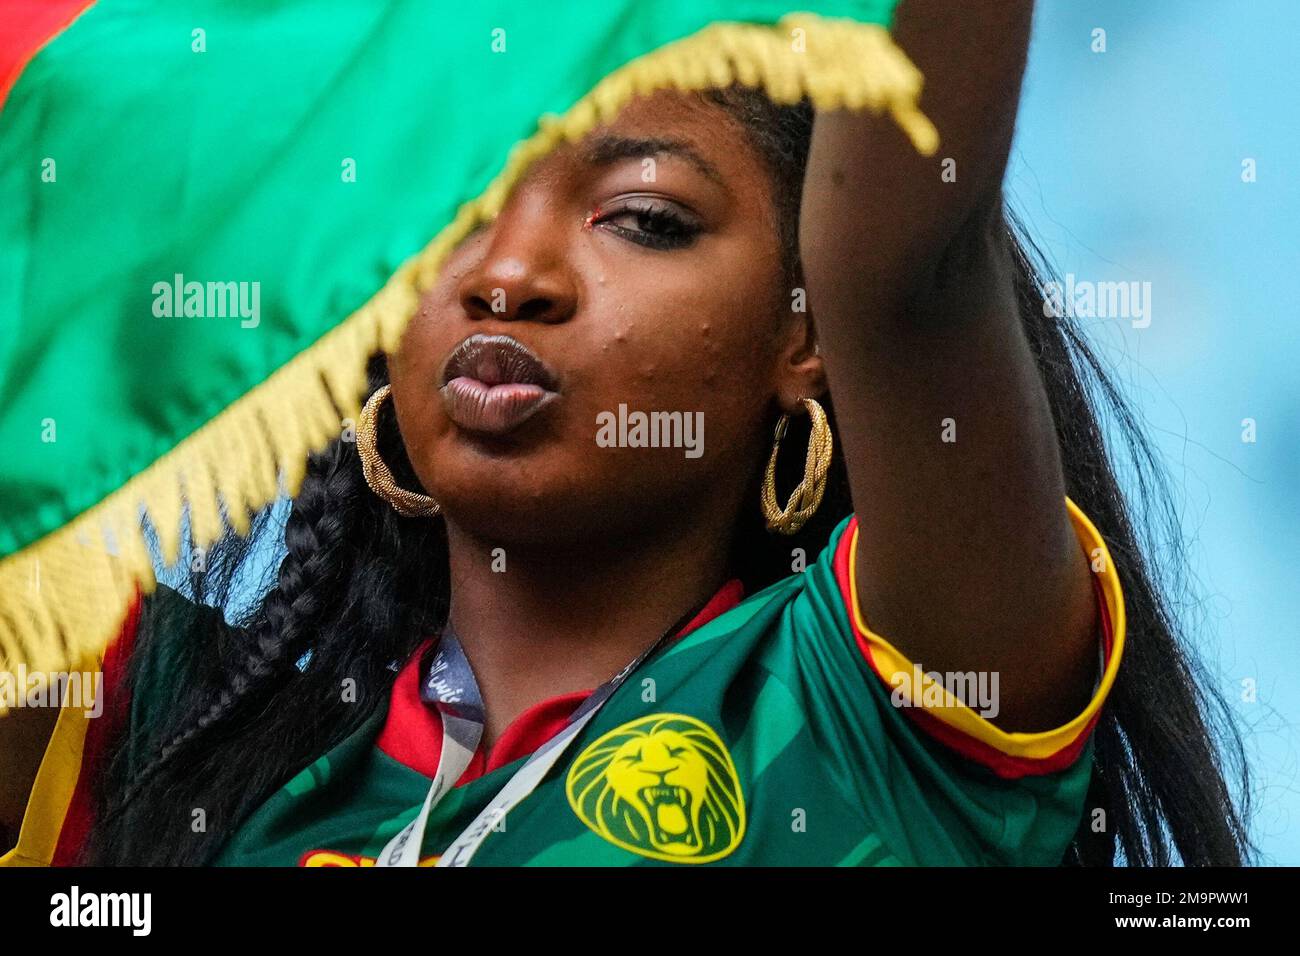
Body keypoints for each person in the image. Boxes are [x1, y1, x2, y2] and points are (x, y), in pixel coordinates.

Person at [4, 2, 1249, 867]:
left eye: (643, 217)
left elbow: (911, 256)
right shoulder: (172, 724)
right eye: (461, 207)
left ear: (806, 335)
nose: (510, 273)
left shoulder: (872, 719)